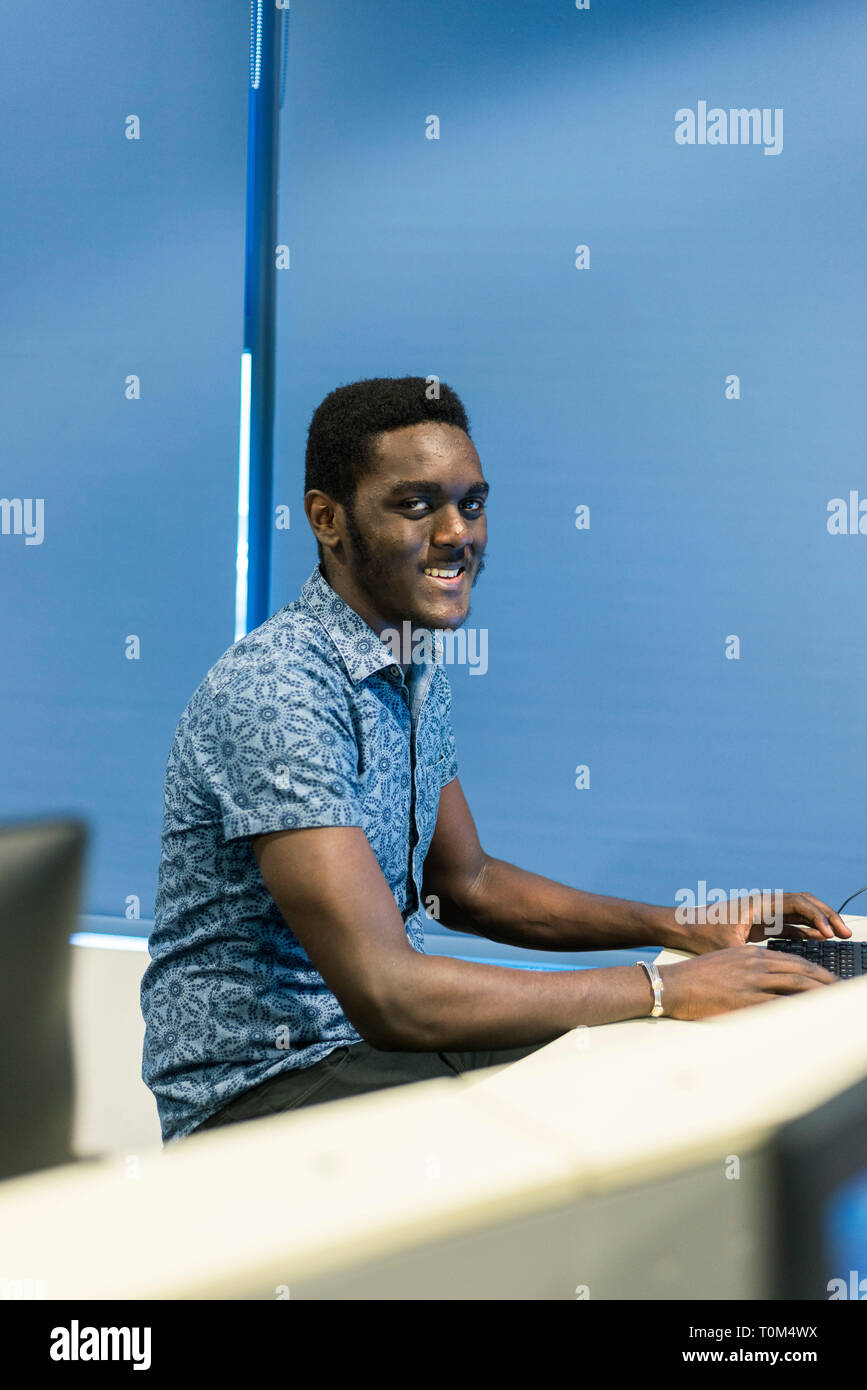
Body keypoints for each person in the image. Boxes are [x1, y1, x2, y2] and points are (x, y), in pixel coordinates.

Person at [141, 376, 846, 1144]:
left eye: (470, 504)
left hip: (366, 1050)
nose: (457, 534)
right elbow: (388, 991)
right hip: (262, 1095)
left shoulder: (409, 659)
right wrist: (661, 986)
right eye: (416, 505)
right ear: (327, 519)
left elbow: (464, 883)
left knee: (662, 1059)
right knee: (624, 1091)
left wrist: (685, 928)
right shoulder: (278, 689)